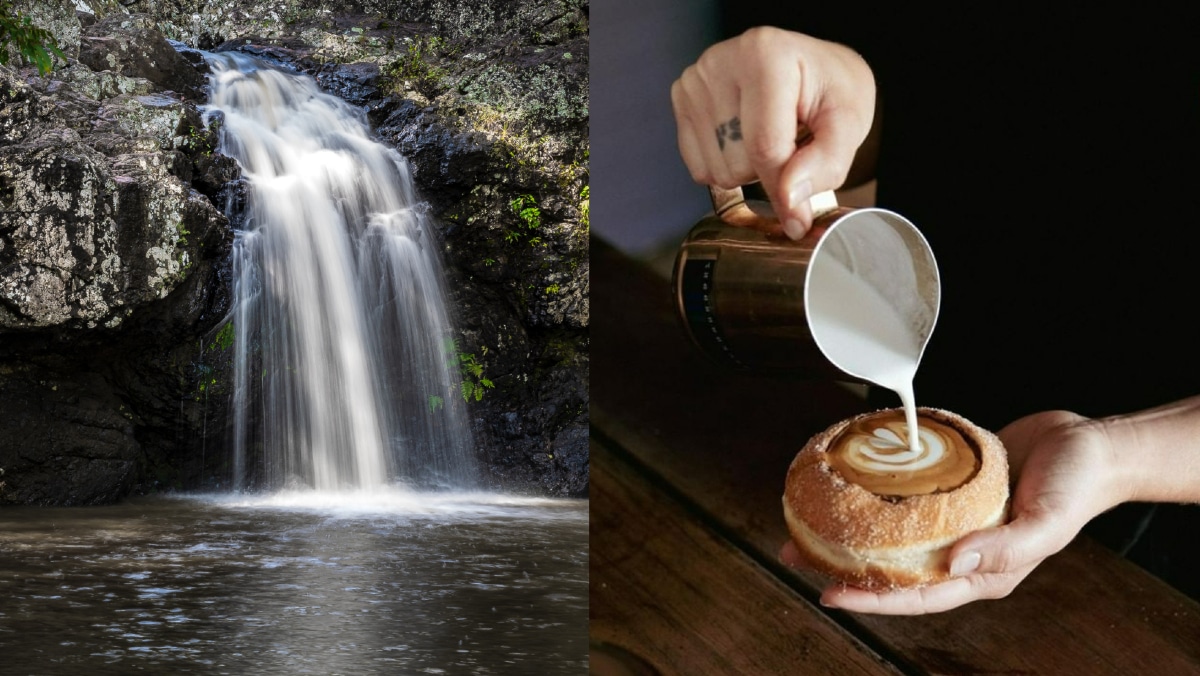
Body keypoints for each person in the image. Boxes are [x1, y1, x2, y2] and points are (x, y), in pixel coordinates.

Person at [670, 11, 1200, 614]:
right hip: (915, 332)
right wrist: (840, 97)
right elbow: (928, 105)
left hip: (1158, 509)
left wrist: (1117, 455)